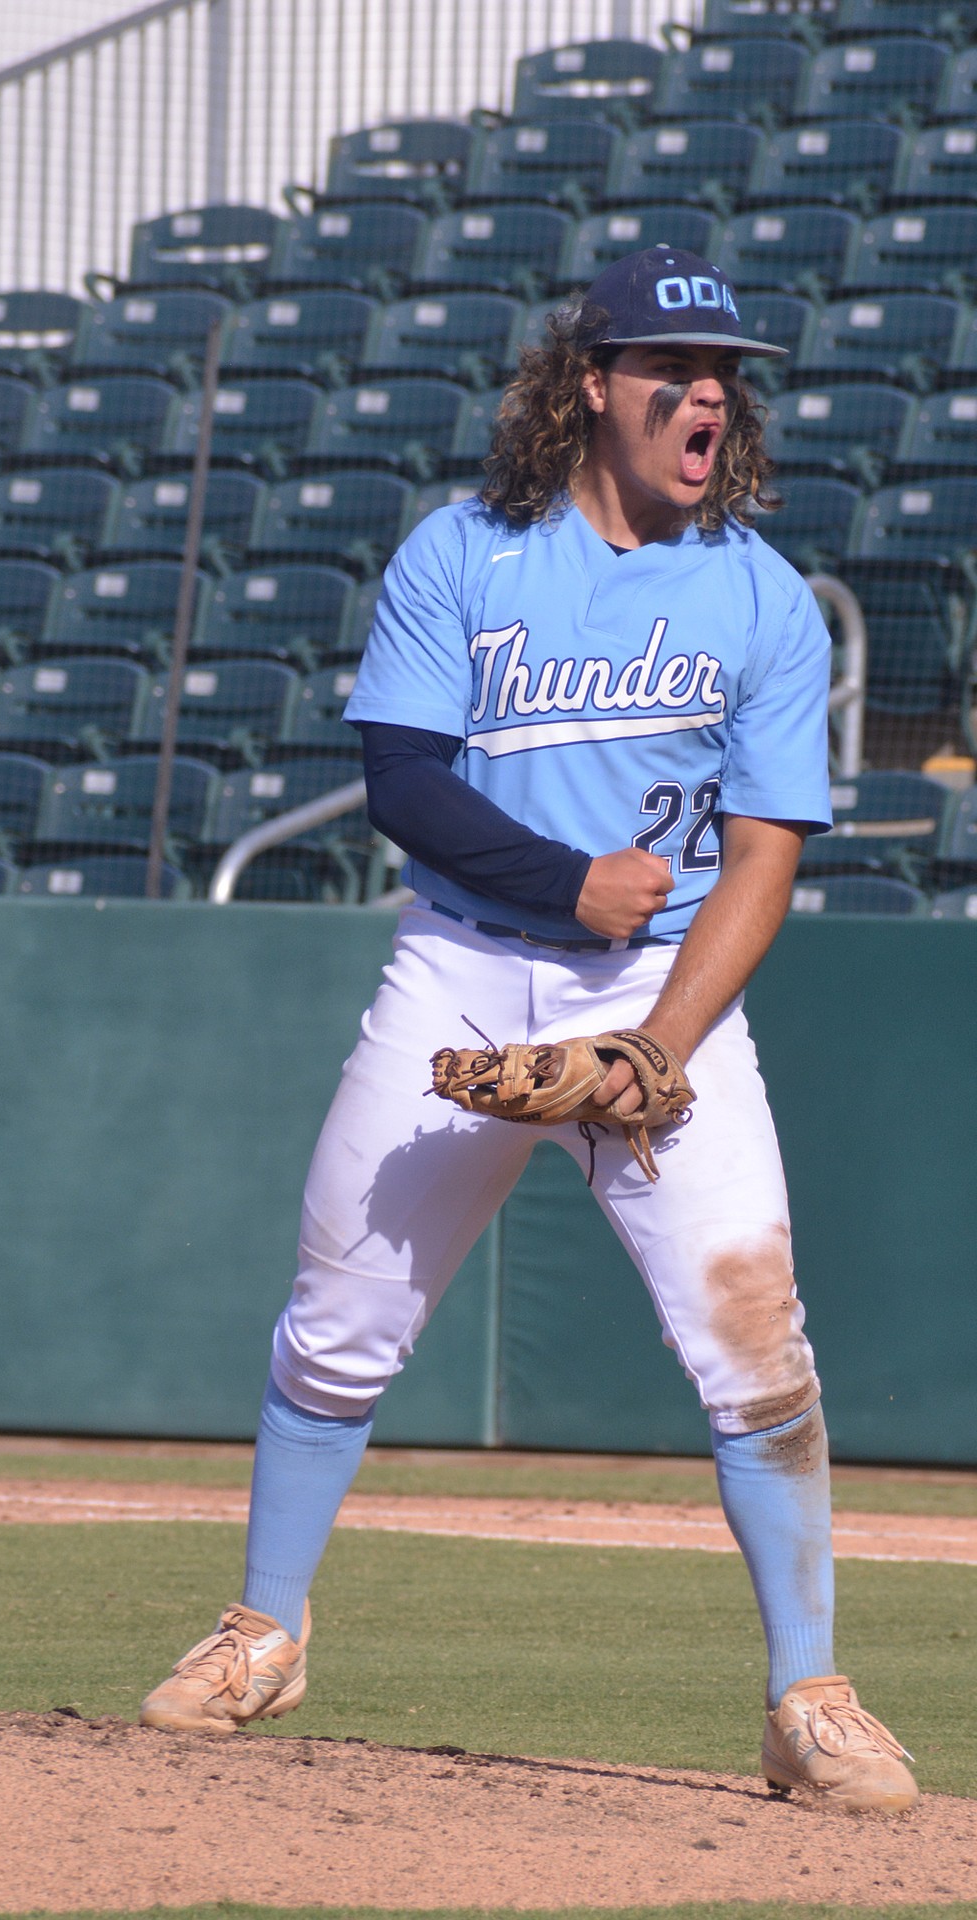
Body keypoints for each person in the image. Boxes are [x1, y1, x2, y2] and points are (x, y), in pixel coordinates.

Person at [140, 245, 918, 1812]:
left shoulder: (759, 596)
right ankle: (263, 1629)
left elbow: (763, 857)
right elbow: (408, 784)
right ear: (591, 385)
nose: (706, 393)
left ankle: (807, 1699)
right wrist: (570, 883)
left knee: (755, 1344)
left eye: (725, 376)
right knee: (339, 1318)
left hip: (661, 997)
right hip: (464, 966)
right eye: (669, 367)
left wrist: (659, 1050)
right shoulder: (466, 554)